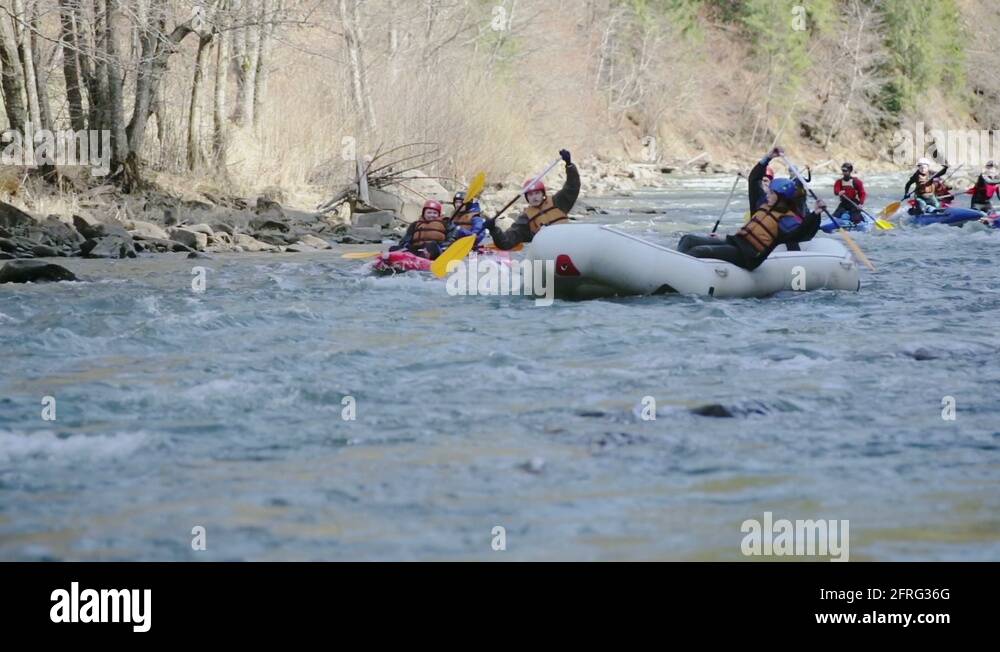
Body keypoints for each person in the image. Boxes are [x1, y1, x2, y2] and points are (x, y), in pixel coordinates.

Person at [678, 176, 824, 271]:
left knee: (699, 251)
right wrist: (768, 158)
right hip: (735, 242)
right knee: (688, 240)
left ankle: (678, 272)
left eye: (771, 192)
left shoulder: (786, 220)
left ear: (780, 197)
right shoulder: (763, 204)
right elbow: (753, 179)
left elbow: (803, 234)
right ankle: (674, 265)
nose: (767, 194)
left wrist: (816, 213)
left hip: (747, 256)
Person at [485, 149, 579, 250]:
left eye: (537, 193)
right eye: (530, 195)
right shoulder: (525, 219)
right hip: (550, 251)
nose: (534, 197)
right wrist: (493, 229)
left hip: (568, 244)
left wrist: (569, 165)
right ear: (527, 198)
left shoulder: (558, 202)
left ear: (543, 194)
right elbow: (506, 242)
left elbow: (572, 187)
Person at [832, 162, 867, 226]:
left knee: (855, 218)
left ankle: (859, 220)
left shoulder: (857, 182)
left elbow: (862, 193)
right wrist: (838, 192)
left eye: (845, 171)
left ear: (850, 171)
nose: (844, 172)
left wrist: (861, 203)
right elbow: (836, 190)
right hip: (844, 203)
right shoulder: (839, 182)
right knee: (835, 216)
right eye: (843, 170)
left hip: (854, 203)